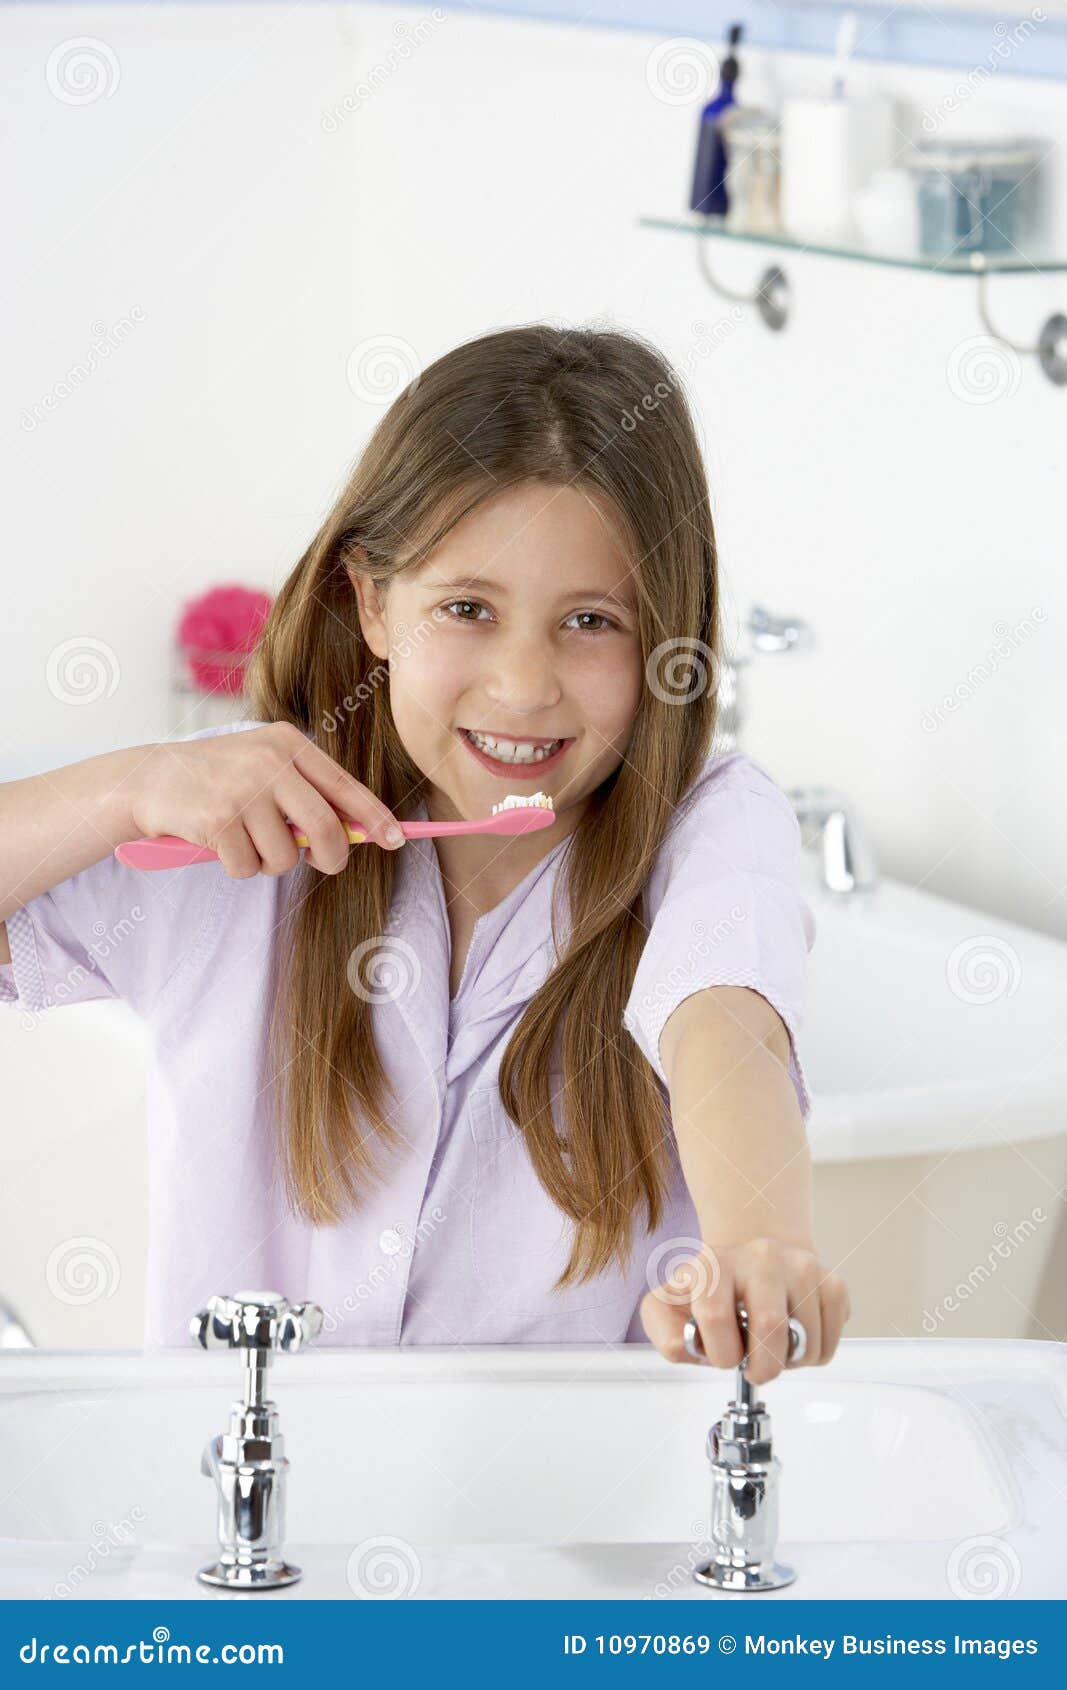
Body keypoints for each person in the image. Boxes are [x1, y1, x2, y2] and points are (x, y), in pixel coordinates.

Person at [0, 323, 849, 1377]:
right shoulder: (237, 815)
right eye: (467, 608)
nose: (523, 685)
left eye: (589, 620)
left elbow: (725, 1023)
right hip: (232, 1534)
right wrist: (123, 787)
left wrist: (760, 1246)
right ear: (371, 603)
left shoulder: (709, 824)